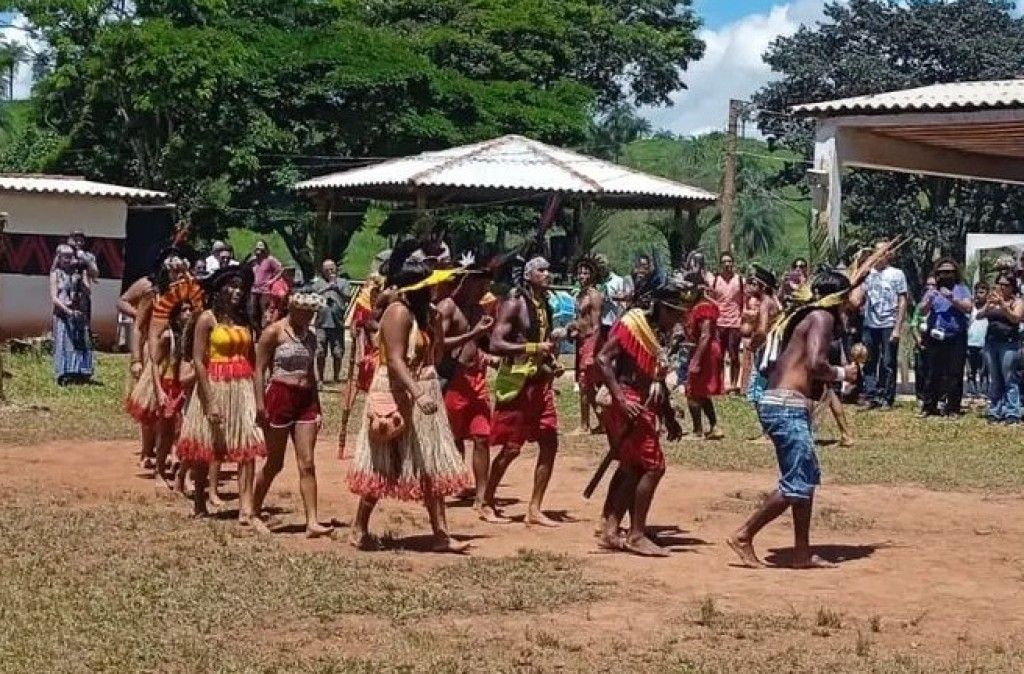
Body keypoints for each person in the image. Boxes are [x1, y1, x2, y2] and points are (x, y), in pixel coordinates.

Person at [728, 269, 860, 569]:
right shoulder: (821, 318)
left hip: (784, 404)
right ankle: (744, 535)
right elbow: (815, 364)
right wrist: (844, 374)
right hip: (785, 406)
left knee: (806, 479)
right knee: (798, 481)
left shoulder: (804, 316)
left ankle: (802, 552)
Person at [346, 242, 470, 553]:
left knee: (430, 462)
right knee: (383, 462)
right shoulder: (398, 313)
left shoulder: (425, 314)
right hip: (396, 391)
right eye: (429, 286)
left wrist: (438, 327)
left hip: (424, 390)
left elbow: (437, 353)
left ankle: (441, 533)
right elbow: (397, 360)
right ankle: (359, 527)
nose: (434, 290)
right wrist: (416, 392)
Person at [597, 279, 685, 556]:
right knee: (653, 466)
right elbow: (602, 359)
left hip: (638, 399)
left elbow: (654, 378)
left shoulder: (656, 332)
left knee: (632, 467)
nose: (677, 319)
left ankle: (611, 531)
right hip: (627, 399)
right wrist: (621, 399)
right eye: (672, 311)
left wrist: (669, 416)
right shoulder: (632, 324)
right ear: (659, 307)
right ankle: (636, 534)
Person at [482, 255, 572, 526]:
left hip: (539, 383)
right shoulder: (514, 302)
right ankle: (485, 500)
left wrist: (551, 359)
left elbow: (539, 341)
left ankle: (534, 508)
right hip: (517, 383)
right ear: (529, 275)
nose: (548, 274)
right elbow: (496, 343)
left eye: (548, 269)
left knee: (549, 441)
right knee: (511, 448)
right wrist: (534, 349)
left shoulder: (543, 304)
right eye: (542, 270)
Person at [177, 266, 267, 525]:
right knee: (207, 447)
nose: (237, 292)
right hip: (214, 385)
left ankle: (246, 509)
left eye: (241, 288)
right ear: (220, 289)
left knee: (247, 445)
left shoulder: (244, 321)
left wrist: (256, 392)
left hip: (242, 388)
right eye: (232, 286)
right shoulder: (207, 319)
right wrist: (209, 400)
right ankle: (199, 503)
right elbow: (198, 360)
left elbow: (252, 359)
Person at [253, 292, 332, 538]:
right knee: (275, 463)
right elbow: (259, 369)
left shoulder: (310, 337)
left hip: (305, 398)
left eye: (312, 313)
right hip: (280, 395)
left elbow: (311, 372)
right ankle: (253, 511)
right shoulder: (274, 332)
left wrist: (317, 406)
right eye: (305, 312)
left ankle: (312, 521)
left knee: (307, 462)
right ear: (293, 309)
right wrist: (259, 404)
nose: (309, 317)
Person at [437, 252, 498, 513]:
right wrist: (475, 332)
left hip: (476, 380)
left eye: (487, 286)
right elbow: (439, 345)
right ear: (467, 282)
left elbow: (482, 343)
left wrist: (491, 354)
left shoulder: (478, 309)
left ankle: (481, 498)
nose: (484, 290)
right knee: (452, 439)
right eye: (480, 285)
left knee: (482, 437)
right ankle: (446, 486)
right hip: (450, 379)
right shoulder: (447, 307)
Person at [149, 298, 196, 491]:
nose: (188, 313)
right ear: (175, 316)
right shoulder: (168, 336)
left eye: (190, 310)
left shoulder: (194, 337)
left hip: (187, 387)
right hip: (169, 386)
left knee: (186, 432)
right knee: (166, 432)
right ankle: (159, 471)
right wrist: (159, 391)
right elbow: (154, 363)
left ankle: (184, 475)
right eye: (184, 310)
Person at [856, 241, 908, 409]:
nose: (879, 255)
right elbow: (858, 296)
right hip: (870, 323)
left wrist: (897, 328)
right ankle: (871, 395)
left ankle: (886, 396)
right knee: (869, 360)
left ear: (889, 255)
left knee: (887, 361)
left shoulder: (897, 274)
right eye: (876, 252)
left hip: (889, 323)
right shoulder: (868, 274)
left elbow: (903, 300)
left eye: (883, 252)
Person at [918, 259, 972, 417]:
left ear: (955, 274)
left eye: (949, 272)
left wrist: (952, 298)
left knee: (954, 373)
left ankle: (953, 408)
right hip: (935, 336)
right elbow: (921, 310)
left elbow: (968, 307)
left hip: (956, 337)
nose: (945, 275)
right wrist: (928, 301)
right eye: (942, 272)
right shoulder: (932, 290)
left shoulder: (961, 289)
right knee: (932, 372)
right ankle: (929, 406)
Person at [979, 272, 1023, 424]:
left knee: (1009, 377)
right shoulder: (992, 301)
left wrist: (1004, 306)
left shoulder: (1017, 302)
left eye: (1006, 285)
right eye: (1000, 284)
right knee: (995, 378)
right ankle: (995, 409)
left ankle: (1012, 411)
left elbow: (1016, 318)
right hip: (991, 342)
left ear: (1012, 287)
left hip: (1009, 343)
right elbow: (979, 315)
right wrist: (987, 307)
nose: (1002, 287)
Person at [572, 254, 609, 434]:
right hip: (580, 341)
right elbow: (580, 319)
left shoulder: (594, 296)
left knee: (585, 383)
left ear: (592, 275)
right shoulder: (580, 294)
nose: (582, 276)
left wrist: (591, 352)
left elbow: (596, 326)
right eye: (580, 272)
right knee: (587, 385)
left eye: (586, 273)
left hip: (591, 342)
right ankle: (602, 422)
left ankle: (585, 425)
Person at [685, 274, 724, 439]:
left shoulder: (704, 307)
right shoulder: (698, 306)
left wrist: (696, 360)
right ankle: (714, 427)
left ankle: (697, 430)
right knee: (700, 392)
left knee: (693, 391)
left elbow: (705, 335)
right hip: (704, 350)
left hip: (706, 351)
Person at [50, 244, 95, 385]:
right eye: (65, 257)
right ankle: (64, 373)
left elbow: (88, 292)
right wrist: (67, 310)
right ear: (59, 257)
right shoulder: (55, 274)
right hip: (63, 312)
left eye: (71, 257)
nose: (69, 260)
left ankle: (81, 371)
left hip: (77, 312)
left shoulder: (77, 274)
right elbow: (54, 298)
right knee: (64, 343)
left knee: (80, 342)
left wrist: (83, 275)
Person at [310, 259, 351, 384]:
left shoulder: (343, 282)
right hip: (321, 324)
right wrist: (327, 288)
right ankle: (320, 378)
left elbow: (347, 297)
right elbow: (313, 297)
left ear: (336, 269)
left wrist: (336, 288)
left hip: (337, 323)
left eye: (332, 269)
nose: (330, 272)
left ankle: (336, 377)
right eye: (327, 270)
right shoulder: (318, 283)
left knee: (338, 352)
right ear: (323, 271)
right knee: (320, 351)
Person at [710, 252, 744, 393]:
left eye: (729, 261)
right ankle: (720, 385)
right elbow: (711, 298)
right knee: (719, 356)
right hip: (719, 323)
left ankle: (734, 385)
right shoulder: (715, 280)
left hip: (735, 323)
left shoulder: (740, 280)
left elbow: (745, 299)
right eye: (724, 261)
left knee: (734, 355)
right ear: (720, 264)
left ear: (733, 263)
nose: (727, 264)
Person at [249, 239, 282, 330]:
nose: (259, 249)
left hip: (265, 290)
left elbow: (280, 270)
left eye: (261, 247)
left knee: (265, 312)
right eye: (257, 247)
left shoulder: (270, 259)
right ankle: (257, 331)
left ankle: (265, 331)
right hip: (254, 289)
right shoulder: (253, 261)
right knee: (253, 312)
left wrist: (272, 280)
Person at [966, 282, 990, 399]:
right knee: (971, 370)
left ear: (987, 294)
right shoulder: (971, 308)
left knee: (984, 370)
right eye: (976, 292)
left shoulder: (990, 308)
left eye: (981, 292)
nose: (978, 295)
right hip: (970, 342)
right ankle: (971, 391)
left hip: (984, 343)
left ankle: (984, 391)